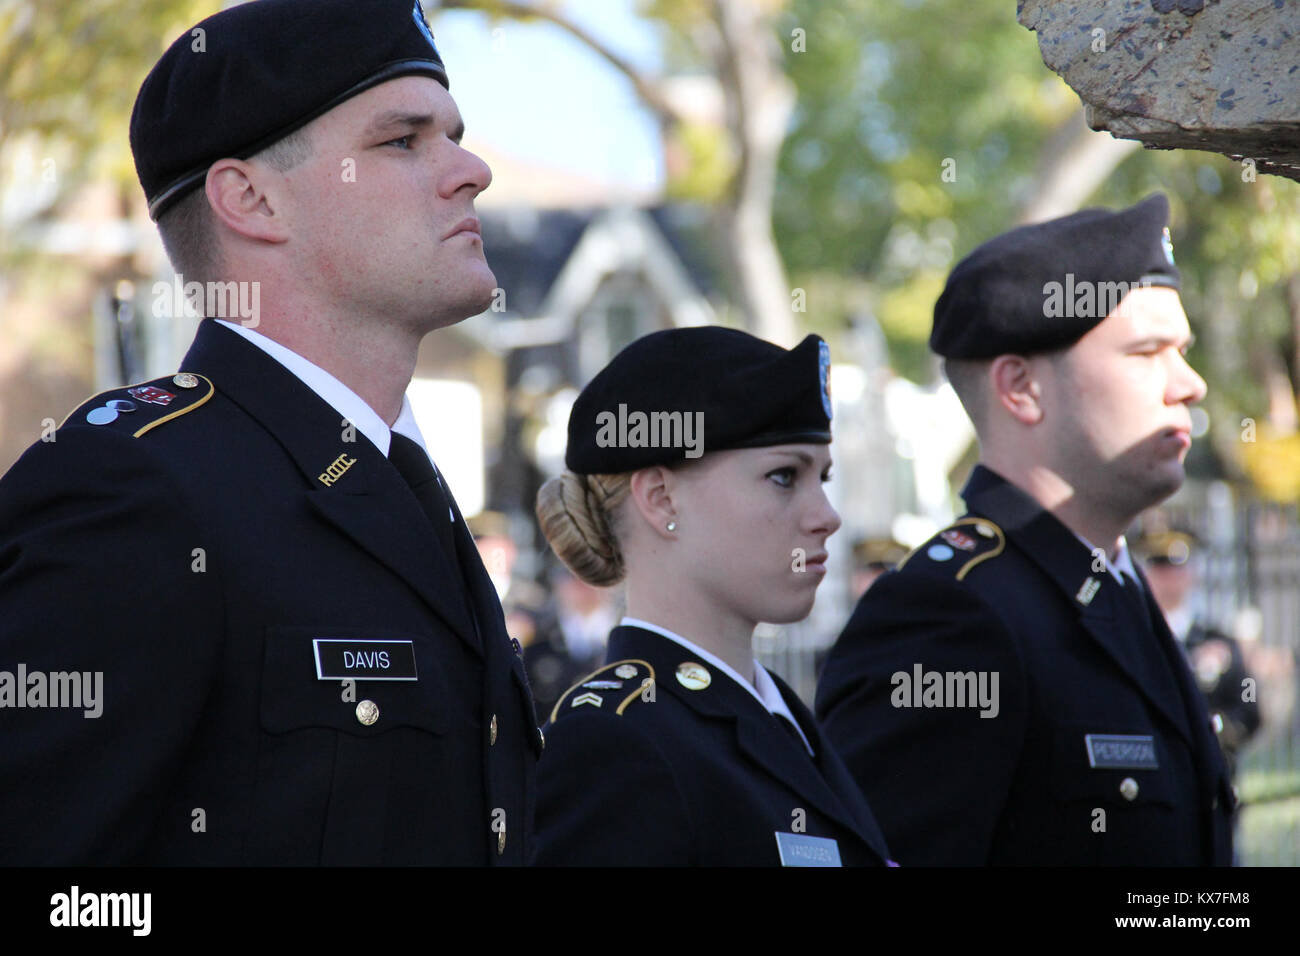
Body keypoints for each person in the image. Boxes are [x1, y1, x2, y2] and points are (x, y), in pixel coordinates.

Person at [0, 0, 539, 864]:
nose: (470, 170)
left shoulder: (407, 486)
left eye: (455, 136)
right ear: (251, 200)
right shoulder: (138, 490)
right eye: (403, 141)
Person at [816, 194, 1236, 865]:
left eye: (1181, 351)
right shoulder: (948, 618)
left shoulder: (1115, 589)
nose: (1189, 384)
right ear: (1021, 389)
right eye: (1147, 352)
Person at [532, 327, 892, 866]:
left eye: (823, 477)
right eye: (783, 476)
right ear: (661, 498)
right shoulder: (614, 744)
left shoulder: (780, 720)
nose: (827, 516)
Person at [1139, 529, 1261, 778]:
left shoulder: (1218, 640)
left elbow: (1248, 702)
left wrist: (1220, 727)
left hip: (1209, 771)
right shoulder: (1138, 637)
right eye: (1162, 569)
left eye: (1178, 569)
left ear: (1190, 575)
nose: (1171, 578)